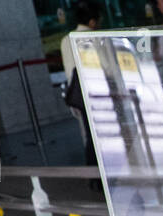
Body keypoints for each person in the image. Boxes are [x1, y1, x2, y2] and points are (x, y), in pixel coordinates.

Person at [60, 2, 102, 171]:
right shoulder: (93, 39)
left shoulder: (66, 40)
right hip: (95, 92)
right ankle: (99, 175)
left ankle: (93, 175)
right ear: (92, 22)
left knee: (88, 133)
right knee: (99, 135)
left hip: (76, 93)